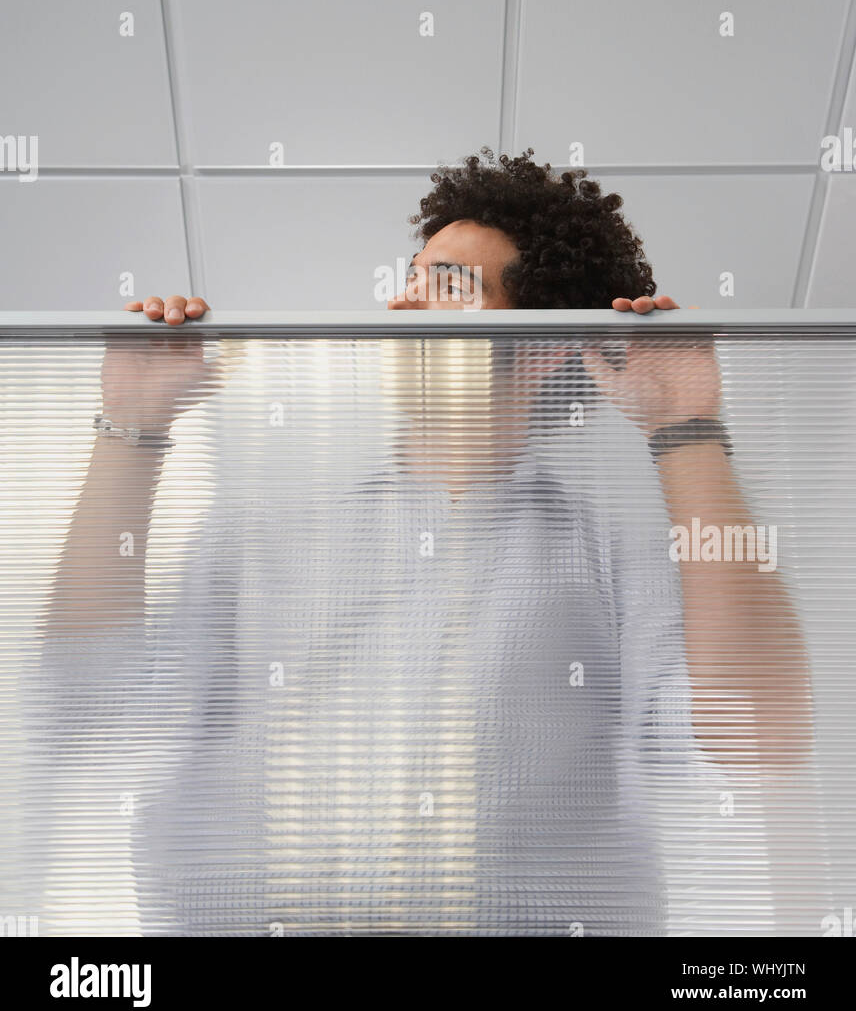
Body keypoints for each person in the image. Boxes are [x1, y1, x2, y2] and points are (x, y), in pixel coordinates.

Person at [36, 151, 809, 936]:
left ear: (544, 347)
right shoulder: (256, 540)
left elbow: (759, 732)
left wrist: (685, 425)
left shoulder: (612, 560)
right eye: (409, 276)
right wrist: (132, 424)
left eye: (444, 287)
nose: (399, 303)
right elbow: (89, 707)